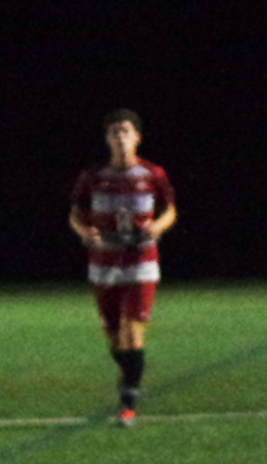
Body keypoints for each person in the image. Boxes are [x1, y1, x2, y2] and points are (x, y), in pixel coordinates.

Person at [69, 109, 177, 426]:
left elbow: (170, 209)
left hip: (140, 261)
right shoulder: (93, 176)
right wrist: (84, 231)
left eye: (126, 131)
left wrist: (157, 226)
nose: (120, 137)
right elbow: (75, 213)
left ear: (137, 137)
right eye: (114, 132)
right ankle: (130, 372)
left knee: (132, 334)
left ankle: (127, 404)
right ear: (107, 139)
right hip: (103, 263)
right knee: (114, 338)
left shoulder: (153, 174)